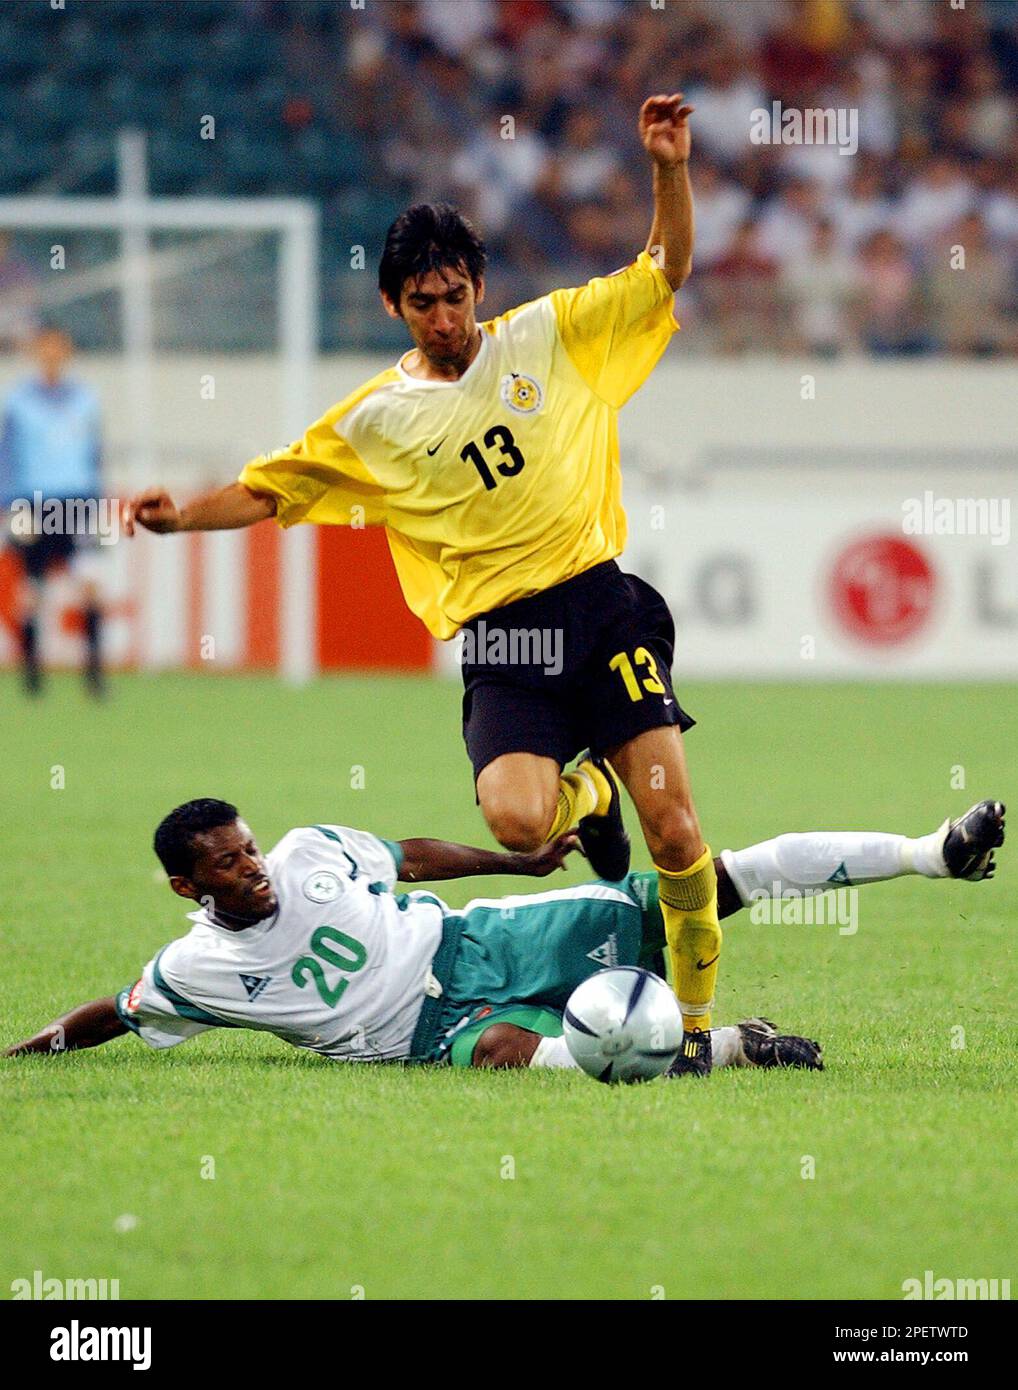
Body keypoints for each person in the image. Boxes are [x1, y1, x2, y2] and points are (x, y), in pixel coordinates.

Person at [123, 94, 730, 1075]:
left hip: (597, 600)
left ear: (479, 286)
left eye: (456, 295)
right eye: (423, 302)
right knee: (518, 820)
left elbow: (665, 270)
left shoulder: (556, 336)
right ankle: (585, 792)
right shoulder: (374, 421)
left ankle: (696, 1030)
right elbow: (271, 489)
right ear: (392, 306)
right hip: (499, 637)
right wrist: (181, 516)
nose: (445, 318)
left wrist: (667, 167)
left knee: (676, 830)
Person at [5, 798, 1004, 1070]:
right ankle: (740, 1043)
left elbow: (409, 855)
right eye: (226, 864)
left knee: (707, 882)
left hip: (472, 946)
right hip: (418, 1037)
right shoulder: (196, 971)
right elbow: (119, 1013)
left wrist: (519, 862)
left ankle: (928, 852)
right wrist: (31, 1043)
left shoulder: (312, 850)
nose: (252, 866)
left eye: (249, 848)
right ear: (188, 883)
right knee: (514, 1056)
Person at [1, 327, 106, 696]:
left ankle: (94, 675)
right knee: (32, 589)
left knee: (91, 584)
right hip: (33, 503)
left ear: (67, 351)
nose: (52, 354)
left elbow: (94, 455)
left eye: (58, 347)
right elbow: (7, 457)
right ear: (36, 352)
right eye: (45, 348)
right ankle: (32, 676)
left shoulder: (86, 399)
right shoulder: (17, 402)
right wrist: (8, 506)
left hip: (80, 502)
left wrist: (98, 500)